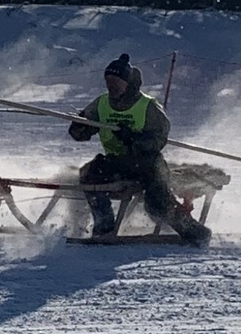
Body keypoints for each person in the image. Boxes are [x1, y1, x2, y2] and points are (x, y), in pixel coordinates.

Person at [68, 52, 209, 244]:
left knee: (157, 203)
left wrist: (134, 139)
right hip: (115, 161)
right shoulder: (101, 103)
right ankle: (104, 225)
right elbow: (82, 132)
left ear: (127, 83)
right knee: (89, 176)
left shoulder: (148, 106)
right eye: (108, 81)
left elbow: (160, 138)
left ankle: (194, 231)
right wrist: (78, 127)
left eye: (116, 82)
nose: (112, 86)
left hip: (147, 164)